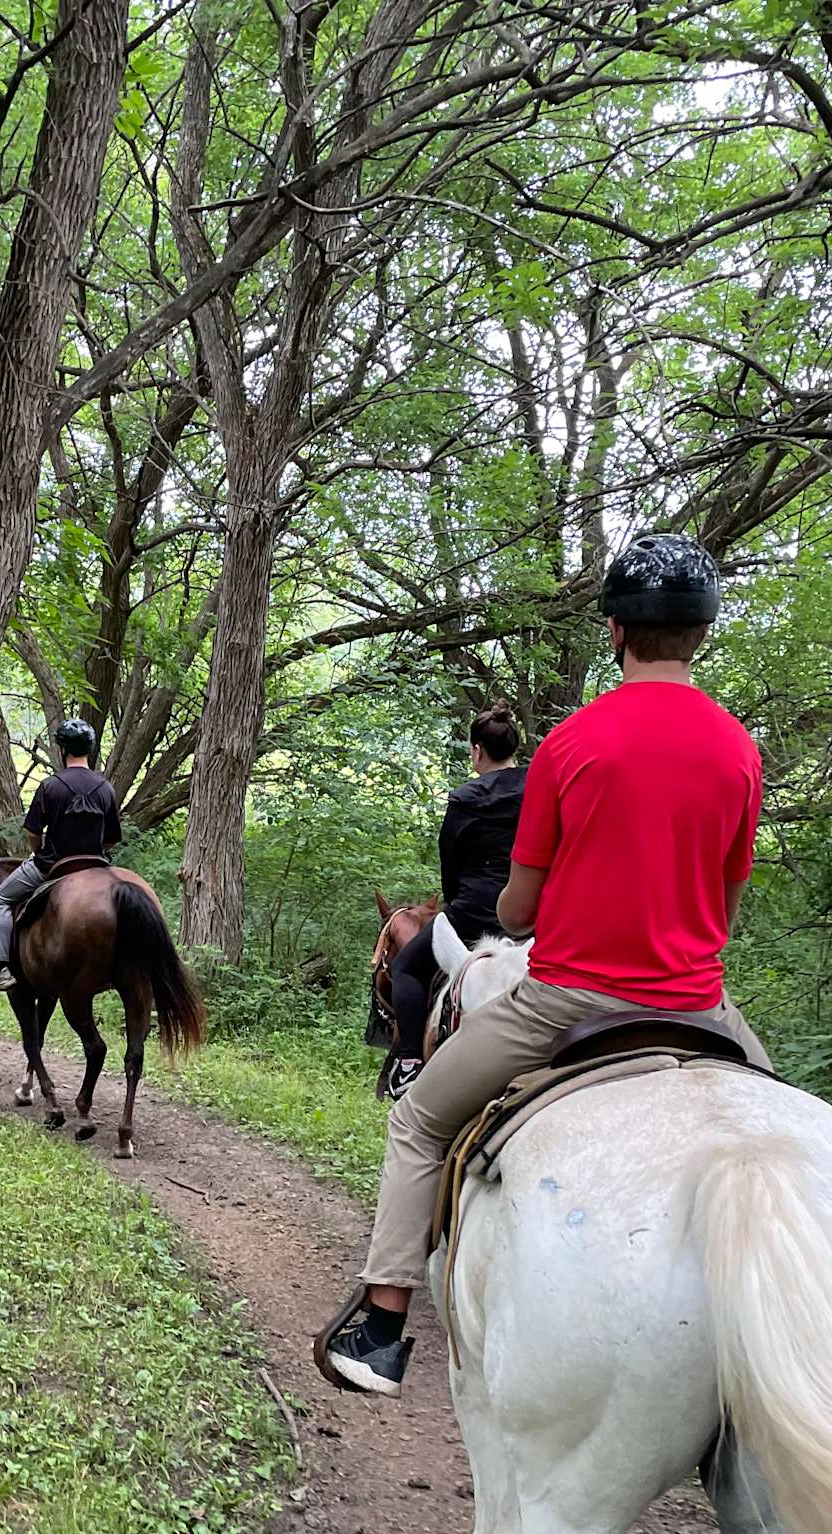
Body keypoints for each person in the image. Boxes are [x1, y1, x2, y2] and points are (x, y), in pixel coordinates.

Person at [316, 532, 770, 1397]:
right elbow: (726, 911)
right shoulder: (737, 750)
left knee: (416, 1118)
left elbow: (518, 912)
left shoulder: (572, 745)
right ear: (701, 634)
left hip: (567, 1002)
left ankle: (380, 1324)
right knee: (784, 1136)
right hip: (703, 1010)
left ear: (614, 632)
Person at [385, 701, 526, 1100]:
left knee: (408, 967)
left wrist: (455, 906)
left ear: (477, 751)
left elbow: (451, 868)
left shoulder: (465, 799)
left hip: (473, 910)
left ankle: (410, 1062)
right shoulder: (539, 789)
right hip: (532, 915)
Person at [0, 717, 122, 989]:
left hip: (52, 865)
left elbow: (33, 832)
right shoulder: (106, 788)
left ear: (63, 750)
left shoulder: (51, 786)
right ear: (89, 749)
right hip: (95, 866)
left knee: (0, 898)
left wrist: (37, 852)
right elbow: (112, 839)